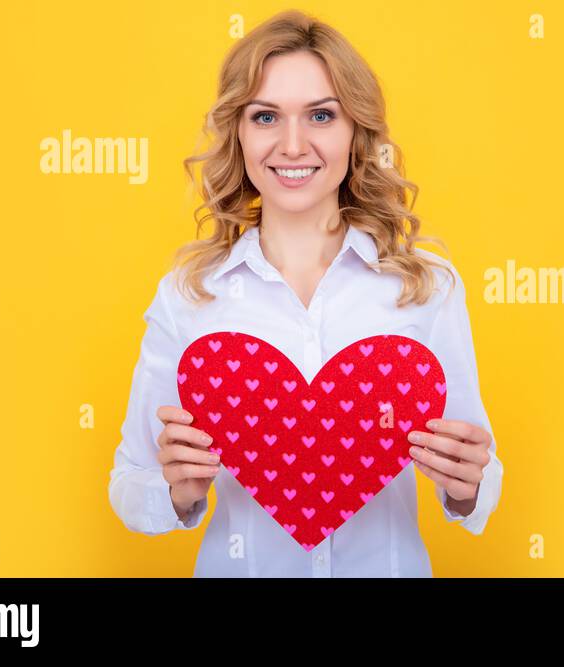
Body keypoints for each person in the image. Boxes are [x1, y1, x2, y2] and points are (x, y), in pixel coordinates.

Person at [108, 10, 502, 576]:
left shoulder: (425, 286)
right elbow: (130, 485)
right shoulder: (190, 296)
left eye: (321, 115)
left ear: (354, 131)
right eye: (265, 116)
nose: (293, 145)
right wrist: (179, 491)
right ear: (239, 132)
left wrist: (467, 486)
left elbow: (481, 476)